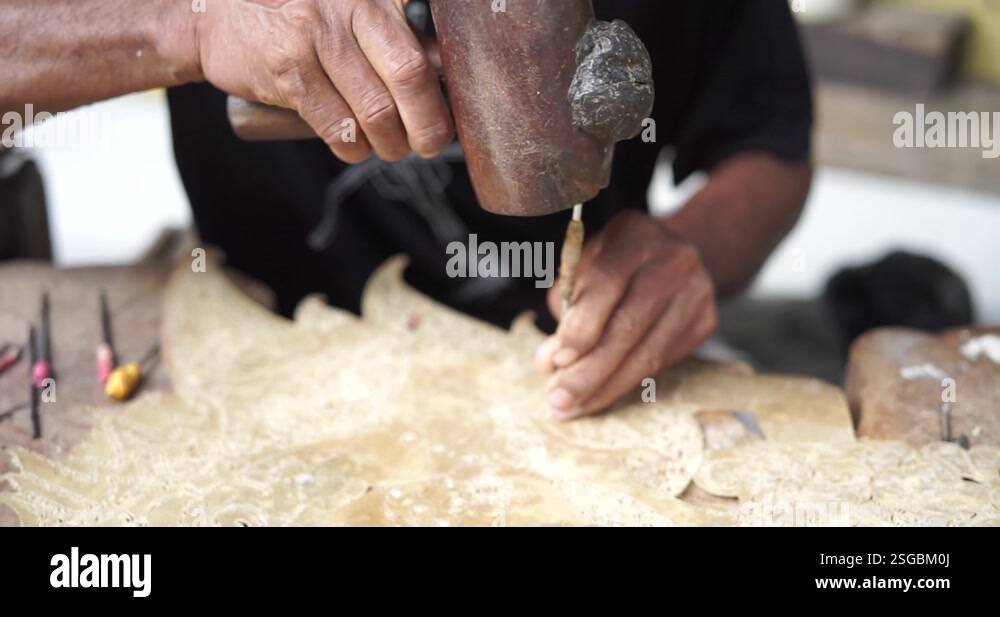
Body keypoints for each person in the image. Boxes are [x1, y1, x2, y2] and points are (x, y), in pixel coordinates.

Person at [1, 1, 813, 420]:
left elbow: (773, 147)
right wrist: (190, 23)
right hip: (262, 360)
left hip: (572, 363)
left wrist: (690, 249)